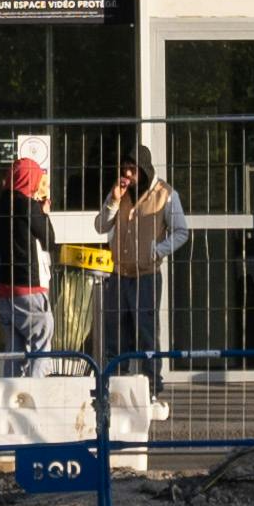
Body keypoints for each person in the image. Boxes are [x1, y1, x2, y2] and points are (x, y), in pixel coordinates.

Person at [98, 150, 184, 372]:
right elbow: (100, 226)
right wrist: (113, 200)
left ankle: (152, 384)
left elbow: (181, 232)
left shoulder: (166, 193)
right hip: (118, 274)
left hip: (146, 275)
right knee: (115, 333)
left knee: (146, 333)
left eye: (133, 169)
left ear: (144, 169)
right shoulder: (121, 193)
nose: (127, 174)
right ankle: (115, 382)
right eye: (124, 168)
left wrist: (155, 252)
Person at [0, 151, 61, 360]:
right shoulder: (27, 205)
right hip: (28, 288)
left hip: (5, 290)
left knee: (15, 352)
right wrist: (44, 213)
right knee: (41, 345)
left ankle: (12, 393)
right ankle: (36, 391)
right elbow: (49, 239)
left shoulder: (0, 205)